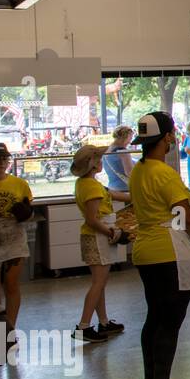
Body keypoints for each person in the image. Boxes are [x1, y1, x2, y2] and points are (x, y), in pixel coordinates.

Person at [130, 113, 190, 379]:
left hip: (145, 252)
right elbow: (184, 215)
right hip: (168, 253)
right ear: (166, 138)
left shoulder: (140, 170)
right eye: (172, 134)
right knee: (170, 322)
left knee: (154, 318)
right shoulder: (164, 173)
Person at [71, 145, 129, 343]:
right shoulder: (92, 187)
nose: (101, 162)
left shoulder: (85, 183)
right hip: (98, 236)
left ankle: (103, 322)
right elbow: (92, 219)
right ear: (93, 164)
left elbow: (114, 195)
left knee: (100, 283)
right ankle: (83, 326)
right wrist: (114, 233)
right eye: (99, 159)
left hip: (95, 237)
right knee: (98, 284)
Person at [0, 143, 34, 331]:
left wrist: (26, 213)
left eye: (4, 159)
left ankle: (10, 328)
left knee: (11, 283)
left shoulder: (19, 184)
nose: (1, 163)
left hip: (14, 238)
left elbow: (30, 211)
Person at [102, 125, 135, 193]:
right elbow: (130, 173)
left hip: (112, 188)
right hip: (125, 189)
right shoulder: (123, 152)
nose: (130, 142)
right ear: (125, 137)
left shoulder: (106, 150)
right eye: (130, 138)